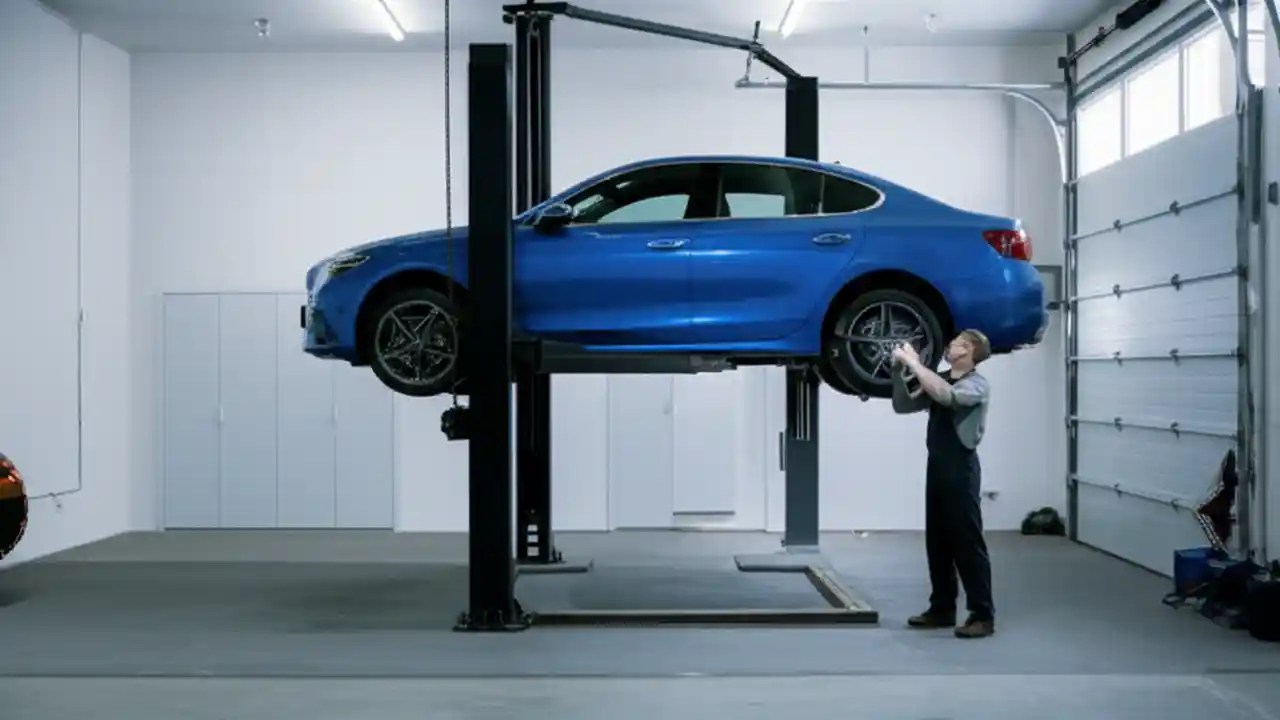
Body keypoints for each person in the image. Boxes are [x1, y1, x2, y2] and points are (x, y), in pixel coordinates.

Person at [890, 329, 995, 639]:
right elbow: (903, 405)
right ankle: (942, 608)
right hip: (937, 467)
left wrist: (913, 362)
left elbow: (947, 396)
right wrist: (900, 372)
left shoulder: (977, 385)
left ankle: (982, 614)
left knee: (967, 542)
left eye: (958, 343)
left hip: (960, 469)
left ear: (971, 351)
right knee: (937, 542)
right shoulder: (940, 378)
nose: (951, 346)